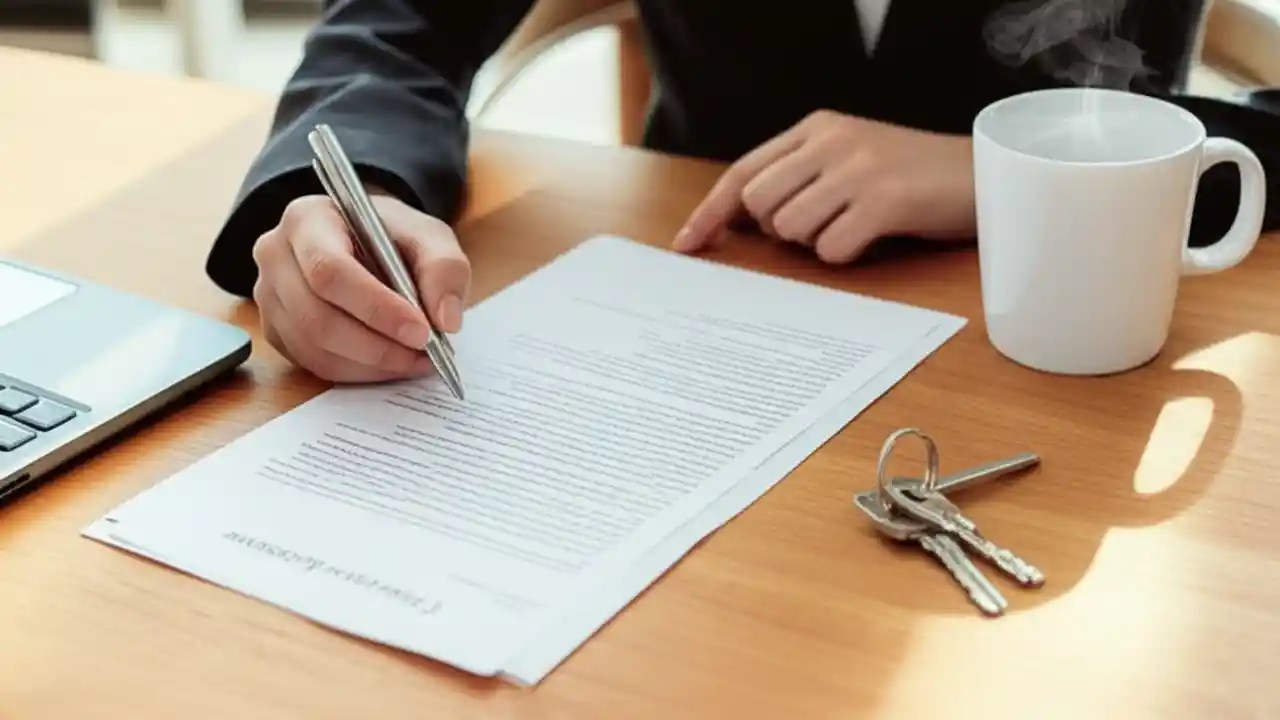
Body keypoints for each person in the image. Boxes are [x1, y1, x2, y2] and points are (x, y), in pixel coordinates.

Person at [206, 0, 1280, 382]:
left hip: (1077, 355)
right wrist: (348, 190)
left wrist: (989, 171)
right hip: (697, 301)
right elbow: (400, 24)